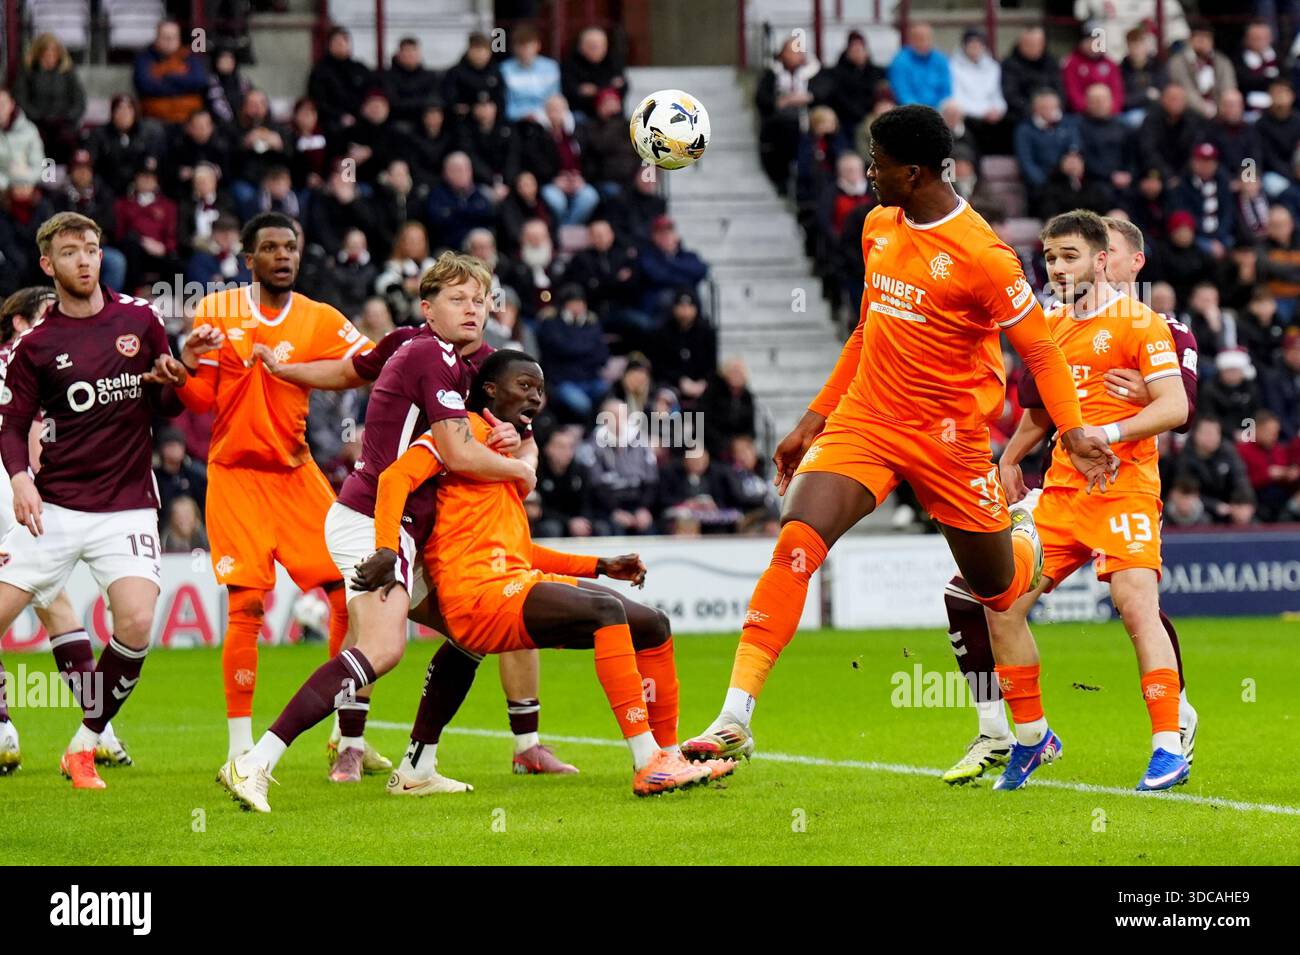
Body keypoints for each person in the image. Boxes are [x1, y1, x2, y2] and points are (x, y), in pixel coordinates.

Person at [680, 106, 1114, 765]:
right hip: (868, 420)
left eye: (877, 163)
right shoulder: (878, 224)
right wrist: (809, 421)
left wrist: (1075, 430)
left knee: (997, 590)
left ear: (913, 172)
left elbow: (1044, 353)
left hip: (950, 440)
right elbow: (866, 329)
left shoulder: (984, 256)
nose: (867, 173)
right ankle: (735, 715)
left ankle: (1023, 541)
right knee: (796, 542)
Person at [214, 275, 547, 810]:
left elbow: (522, 439)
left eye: (479, 301)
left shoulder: (480, 367)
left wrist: (516, 450)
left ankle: (418, 765)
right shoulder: (425, 353)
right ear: (427, 307)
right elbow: (457, 454)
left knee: (473, 627)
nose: (471, 309)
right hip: (373, 519)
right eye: (456, 299)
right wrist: (516, 469)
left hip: (407, 527)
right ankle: (255, 761)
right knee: (382, 648)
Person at [361, 351, 725, 797]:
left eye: (540, 388)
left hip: (512, 584)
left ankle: (669, 754)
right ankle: (647, 761)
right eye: (524, 386)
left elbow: (519, 549)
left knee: (651, 624)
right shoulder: (457, 436)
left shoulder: (499, 452)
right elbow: (394, 478)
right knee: (605, 611)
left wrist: (600, 565)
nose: (535, 396)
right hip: (478, 595)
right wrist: (384, 546)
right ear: (490, 390)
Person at [940, 215, 1201, 784]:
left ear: (1102, 259)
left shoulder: (1140, 323)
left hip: (1124, 488)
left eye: (1070, 257)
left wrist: (1104, 435)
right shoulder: (1048, 326)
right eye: (1052, 258)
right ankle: (1031, 737)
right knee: (1000, 603)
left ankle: (1167, 745)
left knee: (1136, 604)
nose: (1057, 269)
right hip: (1059, 495)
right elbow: (1040, 411)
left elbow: (1175, 407)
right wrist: (1009, 457)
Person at [154, 212, 374, 764]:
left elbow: (368, 363)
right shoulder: (216, 311)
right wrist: (183, 371)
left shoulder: (318, 318)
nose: (283, 256)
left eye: (291, 247)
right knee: (247, 603)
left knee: (350, 594)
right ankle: (240, 749)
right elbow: (203, 400)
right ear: (248, 259)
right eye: (271, 248)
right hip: (236, 475)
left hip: (298, 473)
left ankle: (348, 739)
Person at [0, 212, 185, 789]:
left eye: (93, 248)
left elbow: (171, 408)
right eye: (71, 251)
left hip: (127, 505)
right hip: (53, 508)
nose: (85, 259)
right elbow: (11, 426)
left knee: (134, 621)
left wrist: (172, 383)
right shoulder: (37, 344)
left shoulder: (140, 318)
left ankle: (84, 743)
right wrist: (20, 479)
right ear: (48, 265)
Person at [0, 286, 132, 773]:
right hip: (24, 488)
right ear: (18, 322)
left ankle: (12, 731)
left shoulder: (37, 355)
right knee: (56, 608)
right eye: (45, 313)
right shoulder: (37, 353)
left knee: (55, 607)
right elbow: (34, 435)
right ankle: (99, 733)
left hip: (20, 488)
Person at [14, 33, 85, 164]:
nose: (50, 56)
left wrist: (67, 118)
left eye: (54, 52)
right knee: (37, 141)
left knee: (66, 140)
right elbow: (20, 99)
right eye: (46, 52)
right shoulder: (28, 70)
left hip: (63, 123)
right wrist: (38, 117)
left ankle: (60, 178)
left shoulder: (67, 71)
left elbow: (79, 100)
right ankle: (43, 179)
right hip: (36, 122)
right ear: (38, 53)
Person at [133, 19, 208, 126]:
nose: (169, 41)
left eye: (173, 37)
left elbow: (200, 82)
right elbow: (145, 85)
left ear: (179, 39)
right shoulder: (144, 58)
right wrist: (184, 87)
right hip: (156, 119)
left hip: (188, 120)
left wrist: (169, 77)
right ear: (156, 38)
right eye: (165, 37)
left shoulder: (190, 57)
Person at [307, 27, 372, 136]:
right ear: (329, 45)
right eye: (336, 41)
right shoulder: (320, 71)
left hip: (361, 116)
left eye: (344, 41)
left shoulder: (360, 68)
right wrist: (340, 116)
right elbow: (319, 101)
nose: (340, 44)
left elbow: (370, 93)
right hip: (332, 120)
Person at [1167, 18, 1238, 120]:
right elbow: (1185, 89)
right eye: (1199, 37)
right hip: (1190, 114)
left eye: (1206, 38)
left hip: (1221, 113)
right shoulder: (1178, 62)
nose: (1202, 42)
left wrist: (1221, 108)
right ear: (1190, 39)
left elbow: (1228, 86)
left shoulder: (1222, 61)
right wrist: (1204, 109)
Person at [561, 26, 626, 117]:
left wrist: (599, 93)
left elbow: (623, 86)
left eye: (601, 45)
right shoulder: (570, 64)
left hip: (612, 108)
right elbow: (572, 92)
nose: (598, 49)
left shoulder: (613, 61)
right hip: (583, 111)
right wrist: (604, 91)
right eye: (593, 46)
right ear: (581, 47)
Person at [501, 25, 561, 123]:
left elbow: (555, 97)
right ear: (514, 48)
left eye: (528, 46)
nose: (525, 51)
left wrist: (545, 114)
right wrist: (521, 115)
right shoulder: (504, 69)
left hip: (547, 118)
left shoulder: (550, 67)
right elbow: (505, 102)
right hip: (516, 120)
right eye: (521, 46)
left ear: (538, 45)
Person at [888, 23, 951, 109]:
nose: (924, 42)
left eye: (927, 38)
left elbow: (946, 90)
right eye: (920, 39)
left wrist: (936, 107)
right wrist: (921, 110)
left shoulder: (940, 59)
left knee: (953, 108)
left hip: (938, 107)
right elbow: (902, 92)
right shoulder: (900, 61)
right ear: (911, 40)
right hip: (910, 108)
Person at [0, 88, 46, 193]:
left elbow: (40, 168)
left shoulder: (29, 131)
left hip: (26, 188)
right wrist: (7, 185)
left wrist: (22, 181)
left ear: (11, 105)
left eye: (2, 104)